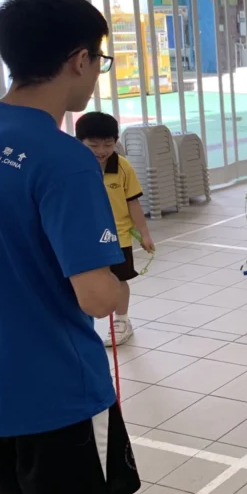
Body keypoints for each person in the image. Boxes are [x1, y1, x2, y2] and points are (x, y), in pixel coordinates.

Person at [0, 0, 141, 494]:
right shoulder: (63, 158)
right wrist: (120, 289)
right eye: (100, 61)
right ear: (79, 59)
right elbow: (97, 297)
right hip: (53, 391)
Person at [75, 112, 155, 347]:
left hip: (118, 235)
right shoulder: (73, 165)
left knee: (119, 279)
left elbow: (133, 202)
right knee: (86, 278)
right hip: (84, 236)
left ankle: (121, 322)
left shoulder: (122, 166)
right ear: (80, 142)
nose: (101, 150)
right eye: (93, 145)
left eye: (108, 144)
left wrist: (144, 233)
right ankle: (83, 323)